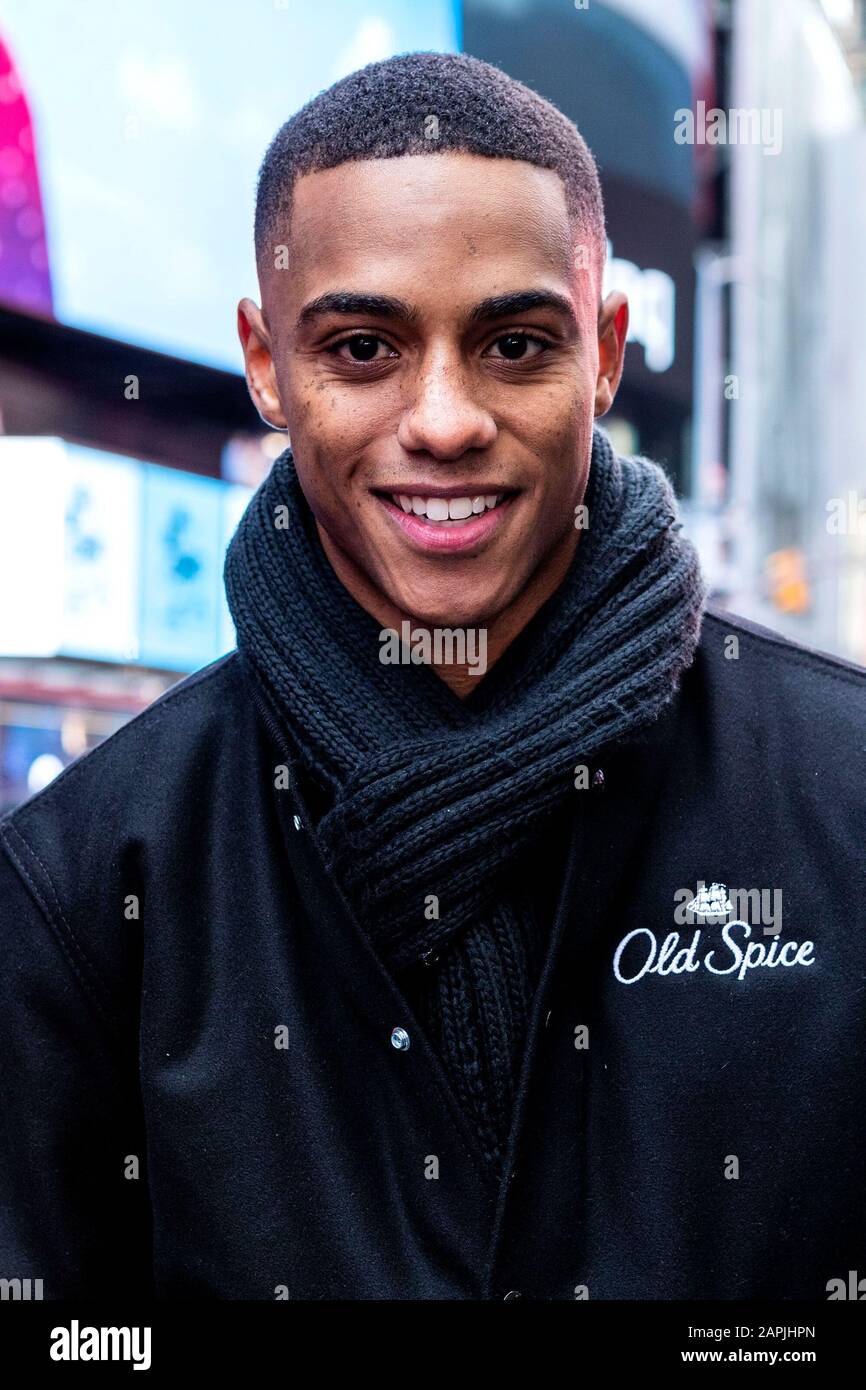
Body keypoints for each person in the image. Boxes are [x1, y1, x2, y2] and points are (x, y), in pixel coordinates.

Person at [1, 51, 864, 1302]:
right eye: (362, 349)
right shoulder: (87, 884)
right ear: (265, 364)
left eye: (514, 343)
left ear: (607, 352)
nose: (446, 418)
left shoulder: (839, 797)